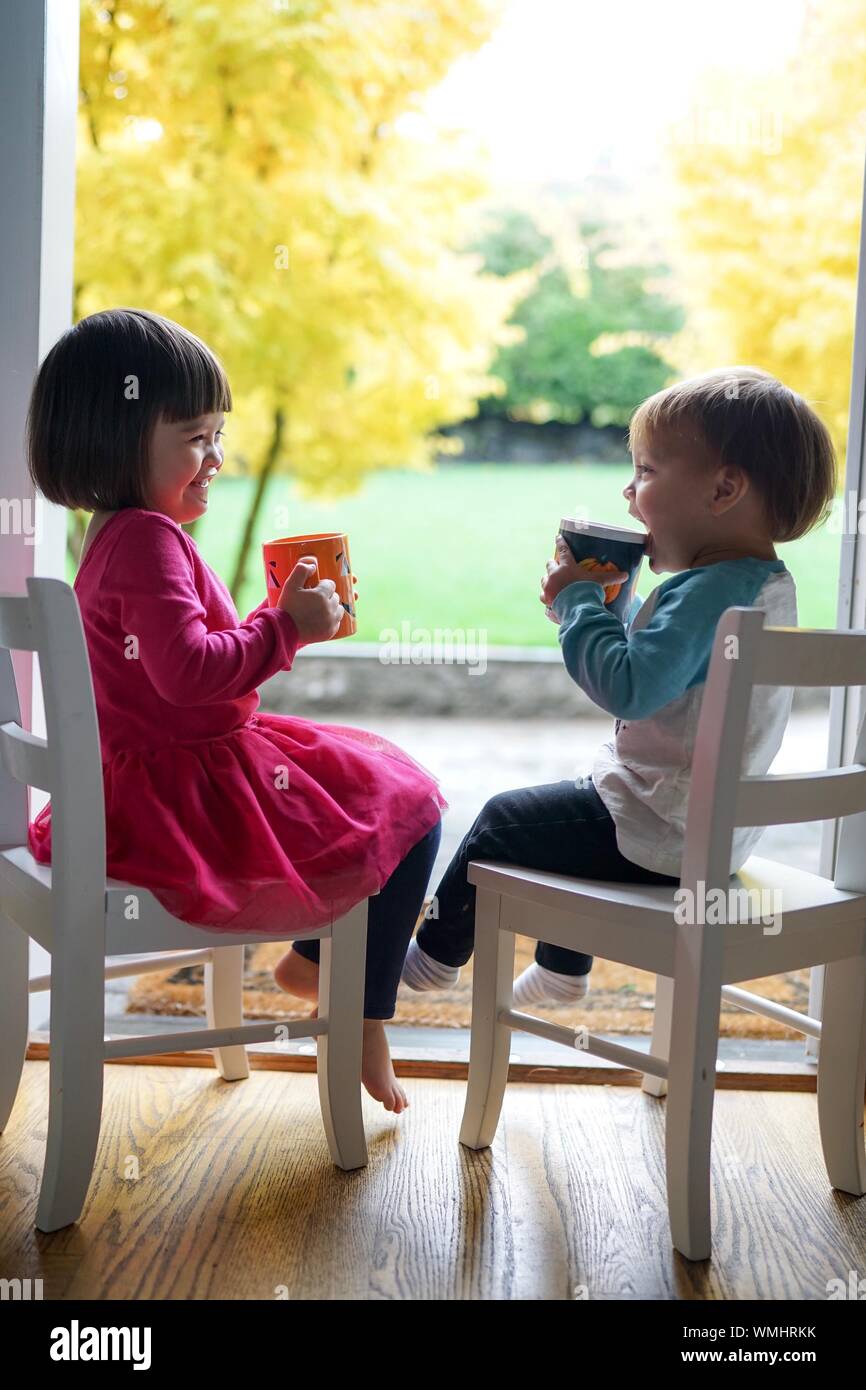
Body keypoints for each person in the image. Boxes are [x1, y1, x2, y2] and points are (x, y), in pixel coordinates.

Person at [25, 306, 448, 1114]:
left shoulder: (119, 534)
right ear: (116, 438)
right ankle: (353, 1001)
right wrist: (286, 625)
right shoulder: (148, 540)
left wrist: (271, 619)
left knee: (372, 786)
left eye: (219, 433)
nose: (217, 456)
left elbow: (180, 660)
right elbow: (189, 676)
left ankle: (320, 969)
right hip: (182, 800)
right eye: (195, 437)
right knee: (409, 801)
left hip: (143, 787)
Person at [402, 367, 838, 1006]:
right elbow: (668, 663)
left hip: (662, 837)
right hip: (709, 838)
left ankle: (431, 960)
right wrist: (608, 610)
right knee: (580, 799)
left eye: (647, 472)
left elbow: (631, 688)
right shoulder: (758, 586)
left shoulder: (709, 593)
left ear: (723, 489)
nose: (629, 493)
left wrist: (581, 604)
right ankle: (561, 970)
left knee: (503, 821)